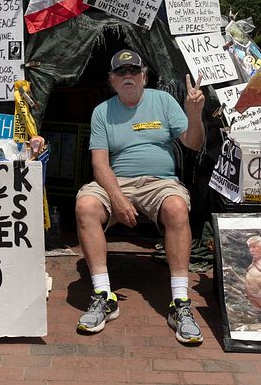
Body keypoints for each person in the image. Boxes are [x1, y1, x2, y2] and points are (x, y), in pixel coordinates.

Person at [74, 49, 205, 345]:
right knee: (86, 205)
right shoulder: (102, 112)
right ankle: (103, 296)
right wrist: (117, 197)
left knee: (176, 207)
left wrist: (194, 115)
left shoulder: (164, 101)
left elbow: (194, 144)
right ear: (112, 80)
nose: (128, 76)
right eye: (121, 73)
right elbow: (99, 164)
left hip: (160, 182)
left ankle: (180, 303)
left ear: (144, 76)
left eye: (134, 71)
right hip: (117, 180)